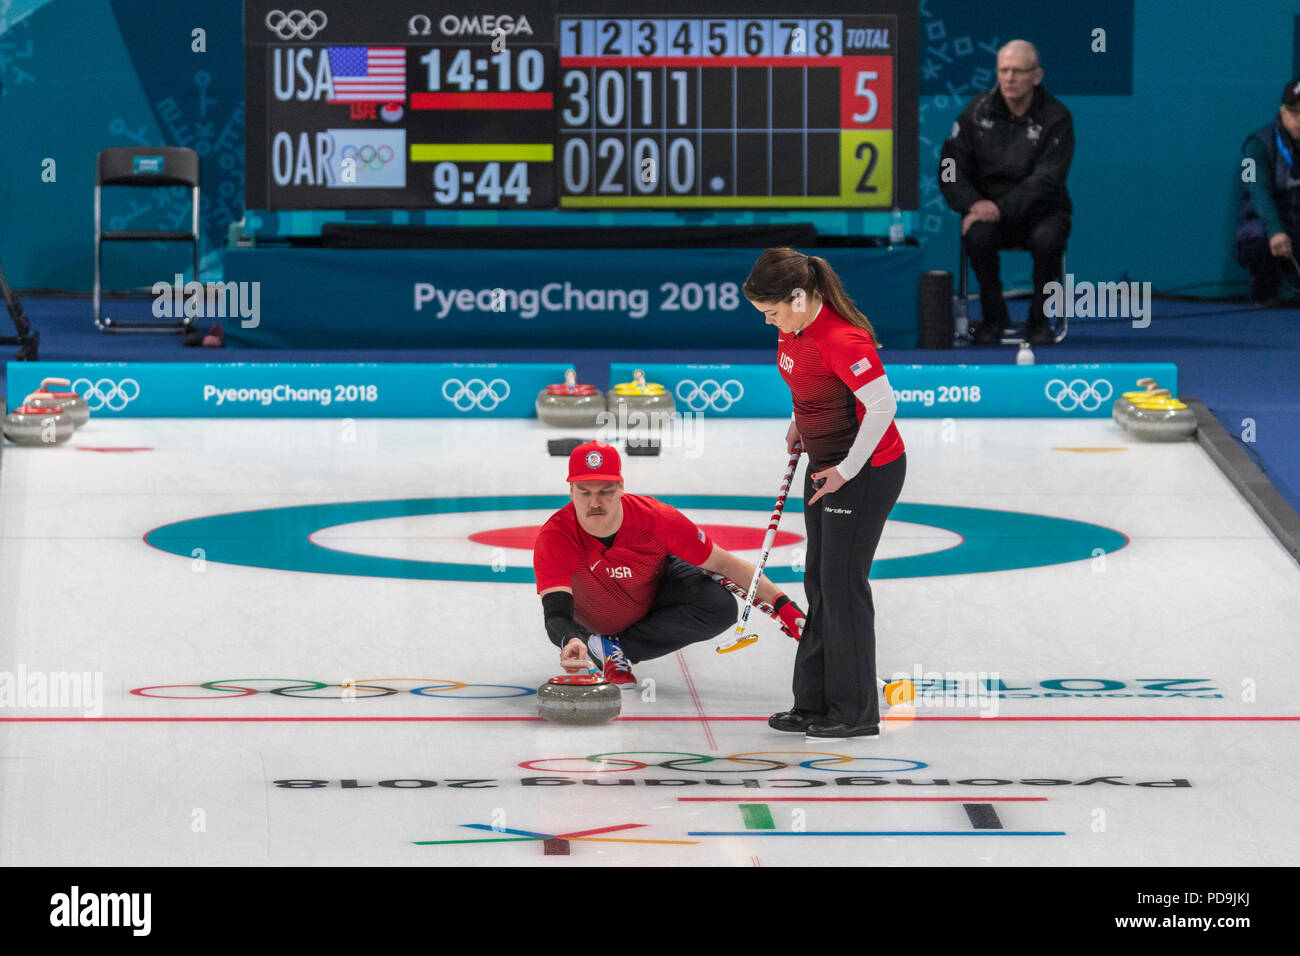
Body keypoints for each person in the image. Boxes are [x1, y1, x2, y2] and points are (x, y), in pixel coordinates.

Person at [744, 248, 906, 740]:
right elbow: (812, 384)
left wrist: (845, 469)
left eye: (772, 313)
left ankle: (856, 712)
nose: (770, 324)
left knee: (842, 585)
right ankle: (813, 702)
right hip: (826, 466)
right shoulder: (794, 331)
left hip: (864, 471)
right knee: (819, 580)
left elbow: (882, 408)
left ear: (798, 296)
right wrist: (801, 423)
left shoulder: (843, 338)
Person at [533, 440, 807, 683]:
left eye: (605, 491)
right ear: (571, 491)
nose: (595, 502)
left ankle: (615, 648)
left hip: (651, 594)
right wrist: (569, 639)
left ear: (621, 487)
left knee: (720, 607)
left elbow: (726, 565)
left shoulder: (657, 519)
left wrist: (784, 607)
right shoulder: (556, 536)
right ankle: (595, 644)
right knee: (571, 623)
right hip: (593, 618)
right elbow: (555, 613)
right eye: (585, 491)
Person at [939, 39, 1074, 346]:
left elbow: (1048, 179)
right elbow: (950, 164)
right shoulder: (976, 112)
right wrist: (971, 204)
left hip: (1041, 211)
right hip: (987, 210)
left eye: (1018, 71)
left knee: (1049, 240)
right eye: (1003, 70)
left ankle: (1040, 323)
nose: (1009, 78)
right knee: (978, 236)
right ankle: (993, 319)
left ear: (1036, 76)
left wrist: (999, 207)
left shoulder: (1057, 117)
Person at [1237, 78, 1300, 307]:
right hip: (1265, 229)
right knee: (1262, 238)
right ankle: (1264, 295)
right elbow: (1258, 193)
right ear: (1282, 111)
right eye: (1295, 113)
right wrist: (1275, 231)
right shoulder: (1257, 145)